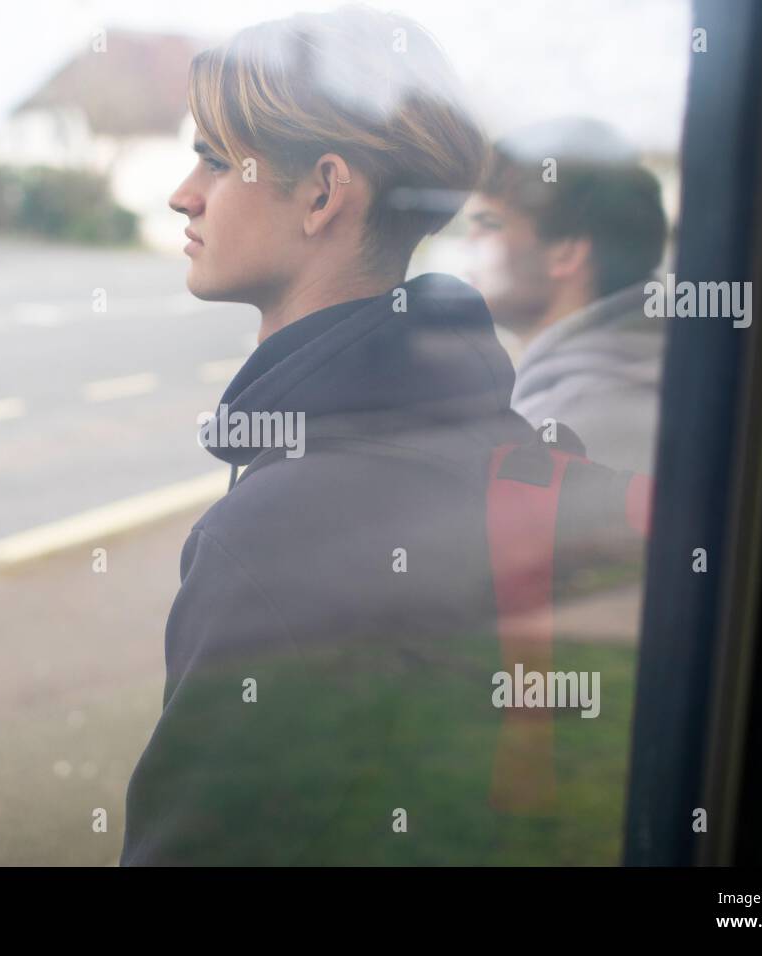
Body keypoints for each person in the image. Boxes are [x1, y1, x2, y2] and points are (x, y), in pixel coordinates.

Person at [121, 5, 569, 866]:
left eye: (215, 159)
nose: (184, 193)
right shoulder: (488, 432)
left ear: (325, 192)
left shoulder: (273, 534)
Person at [464, 118, 669, 474]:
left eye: (490, 224)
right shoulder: (648, 375)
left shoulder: (562, 428)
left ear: (567, 251)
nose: (469, 243)